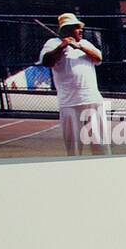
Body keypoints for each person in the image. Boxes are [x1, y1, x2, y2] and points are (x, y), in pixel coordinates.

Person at [38, 13, 109, 157]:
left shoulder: (85, 43)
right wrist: (61, 47)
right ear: (67, 29)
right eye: (77, 28)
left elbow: (98, 57)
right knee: (74, 148)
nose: (81, 30)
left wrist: (80, 47)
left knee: (100, 143)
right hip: (69, 103)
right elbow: (46, 62)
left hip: (92, 100)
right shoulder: (52, 43)